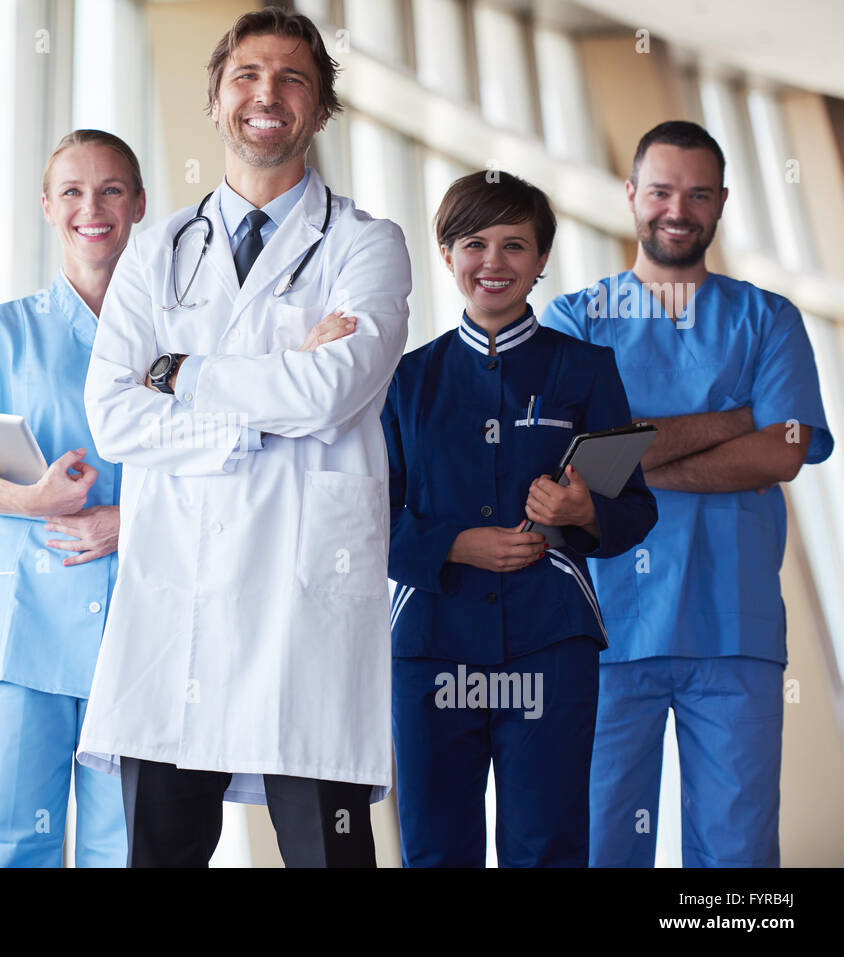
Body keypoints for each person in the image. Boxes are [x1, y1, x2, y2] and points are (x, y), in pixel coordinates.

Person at [75, 8, 413, 868]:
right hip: (173, 604)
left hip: (304, 604)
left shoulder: (367, 246)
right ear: (218, 100)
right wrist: (275, 382)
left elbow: (334, 390)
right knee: (159, 854)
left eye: (294, 78)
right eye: (248, 77)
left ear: (322, 108)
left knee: (329, 856)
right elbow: (114, 416)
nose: (268, 94)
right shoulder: (156, 254)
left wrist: (179, 372)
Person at [541, 121, 834, 867]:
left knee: (736, 855)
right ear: (631, 194)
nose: (679, 209)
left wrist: (628, 458)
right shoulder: (575, 322)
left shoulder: (768, 319)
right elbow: (574, 462)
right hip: (604, 630)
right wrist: (734, 420)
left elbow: (785, 448)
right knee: (602, 844)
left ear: (723, 203)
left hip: (732, 629)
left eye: (699, 194)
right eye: (663, 190)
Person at [381, 172, 657, 867]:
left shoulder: (586, 370)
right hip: (432, 641)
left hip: (551, 639)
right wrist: (458, 544)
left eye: (515, 245)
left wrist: (585, 508)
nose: (493, 262)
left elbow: (635, 509)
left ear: (541, 262)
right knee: (436, 844)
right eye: (474, 243)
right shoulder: (406, 379)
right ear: (447, 256)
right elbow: (362, 520)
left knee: (548, 843)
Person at [0, 130, 147, 867]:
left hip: (135, 635)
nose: (91, 208)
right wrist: (32, 500)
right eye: (72, 191)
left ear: (138, 204)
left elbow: (224, 463)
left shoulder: (172, 339)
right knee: (14, 847)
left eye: (110, 190)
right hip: (18, 631)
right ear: (47, 206)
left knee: (125, 848)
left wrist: (127, 518)